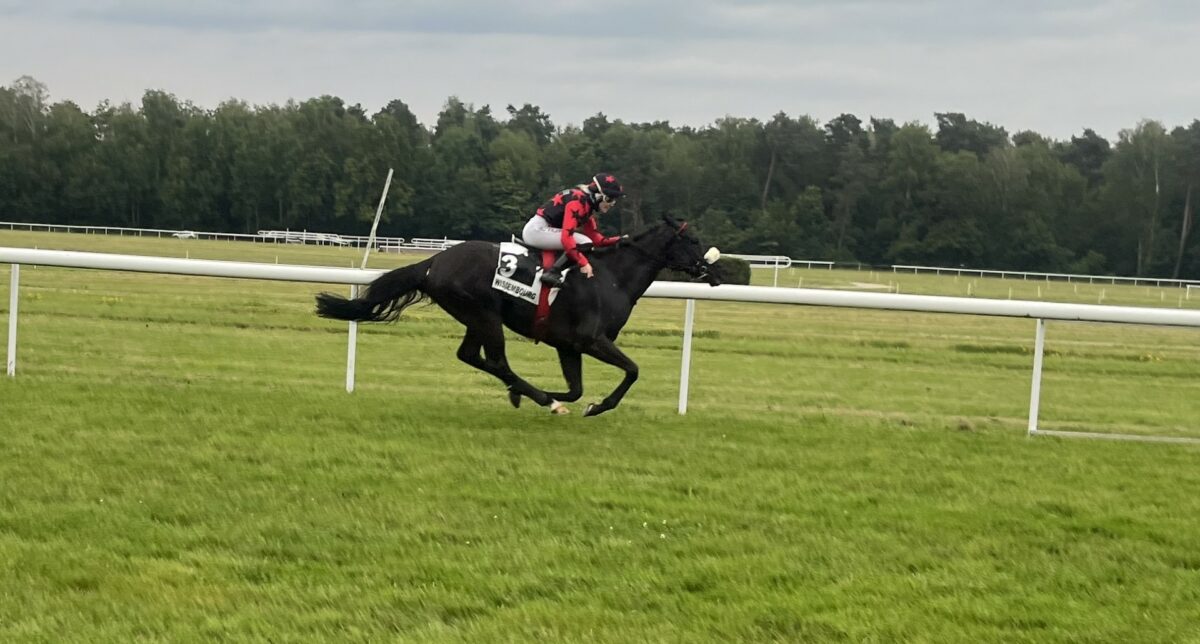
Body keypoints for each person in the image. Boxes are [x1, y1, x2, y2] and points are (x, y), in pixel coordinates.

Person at [522, 173, 627, 286]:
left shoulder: (586, 206)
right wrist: (584, 263)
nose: (612, 204)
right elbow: (567, 238)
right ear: (598, 196)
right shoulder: (577, 202)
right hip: (536, 230)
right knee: (583, 241)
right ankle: (553, 273)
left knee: (586, 242)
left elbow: (597, 240)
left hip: (542, 229)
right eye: (610, 199)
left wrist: (619, 239)